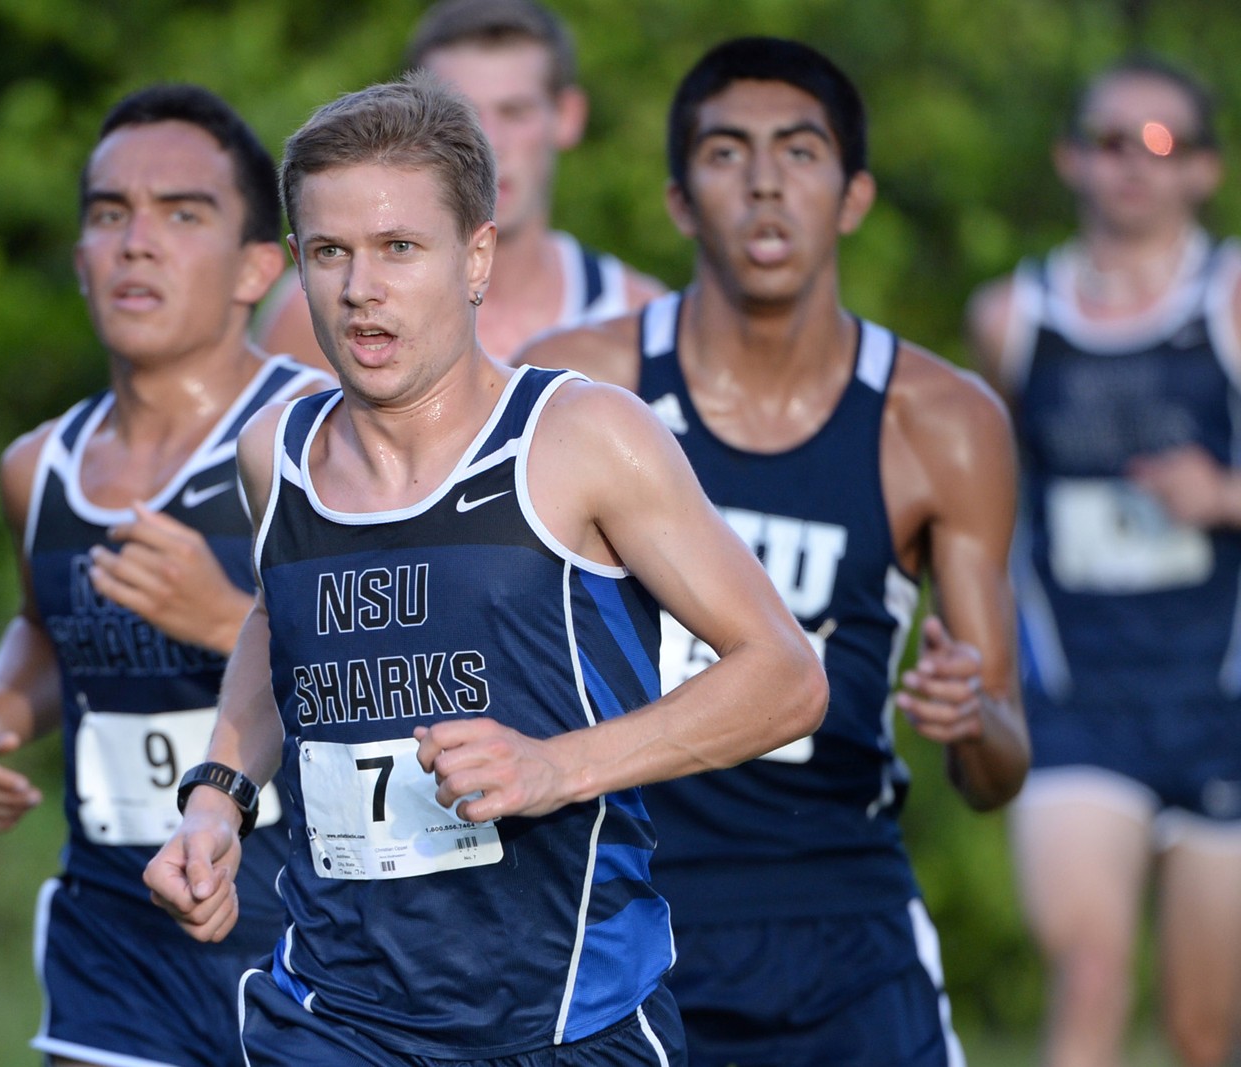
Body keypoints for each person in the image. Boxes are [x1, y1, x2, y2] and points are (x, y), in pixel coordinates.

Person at [142, 71, 828, 1067]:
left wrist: (558, 765)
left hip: (560, 1020)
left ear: (475, 258)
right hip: (329, 1015)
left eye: (397, 249)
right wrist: (217, 799)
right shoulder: (273, 455)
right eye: (328, 252)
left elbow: (785, 674)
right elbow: (281, 619)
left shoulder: (582, 437)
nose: (358, 288)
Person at [518, 36, 1030, 1067]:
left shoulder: (942, 422)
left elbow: (999, 769)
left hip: (842, 905)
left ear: (852, 195)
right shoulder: (570, 394)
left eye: (799, 152)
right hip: (619, 896)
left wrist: (970, 713)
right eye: (726, 152)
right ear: (675, 199)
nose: (762, 184)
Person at [0, 84, 328, 1067]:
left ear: (255, 269)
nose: (135, 241)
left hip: (314, 936)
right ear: (79, 261)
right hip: (116, 939)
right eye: (110, 214)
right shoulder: (38, 467)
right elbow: (43, 626)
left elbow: (408, 670)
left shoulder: (320, 440)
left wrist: (227, 620)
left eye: (182, 214)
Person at [966, 56, 1241, 1067]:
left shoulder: (1229, 300)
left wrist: (1218, 496)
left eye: (1160, 141)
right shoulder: (1013, 317)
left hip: (1218, 696)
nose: (1133, 163)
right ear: (1070, 160)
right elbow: (979, 497)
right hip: (1076, 692)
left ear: (1202, 170)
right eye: (1109, 140)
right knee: (1085, 966)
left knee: (1201, 1029)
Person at [253, 0, 663, 364]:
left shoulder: (637, 316)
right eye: (459, 115)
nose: (488, 141)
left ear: (568, 116)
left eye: (514, 111)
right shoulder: (318, 310)